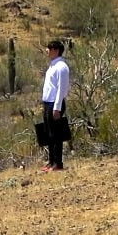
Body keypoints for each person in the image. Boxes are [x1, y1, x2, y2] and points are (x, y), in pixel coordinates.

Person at [40, 39, 71, 171]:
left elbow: (61, 89)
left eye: (49, 48)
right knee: (48, 134)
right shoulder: (52, 65)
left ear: (56, 50)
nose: (47, 50)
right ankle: (51, 161)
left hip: (55, 104)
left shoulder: (61, 67)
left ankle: (58, 163)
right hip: (48, 103)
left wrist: (57, 108)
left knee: (56, 135)